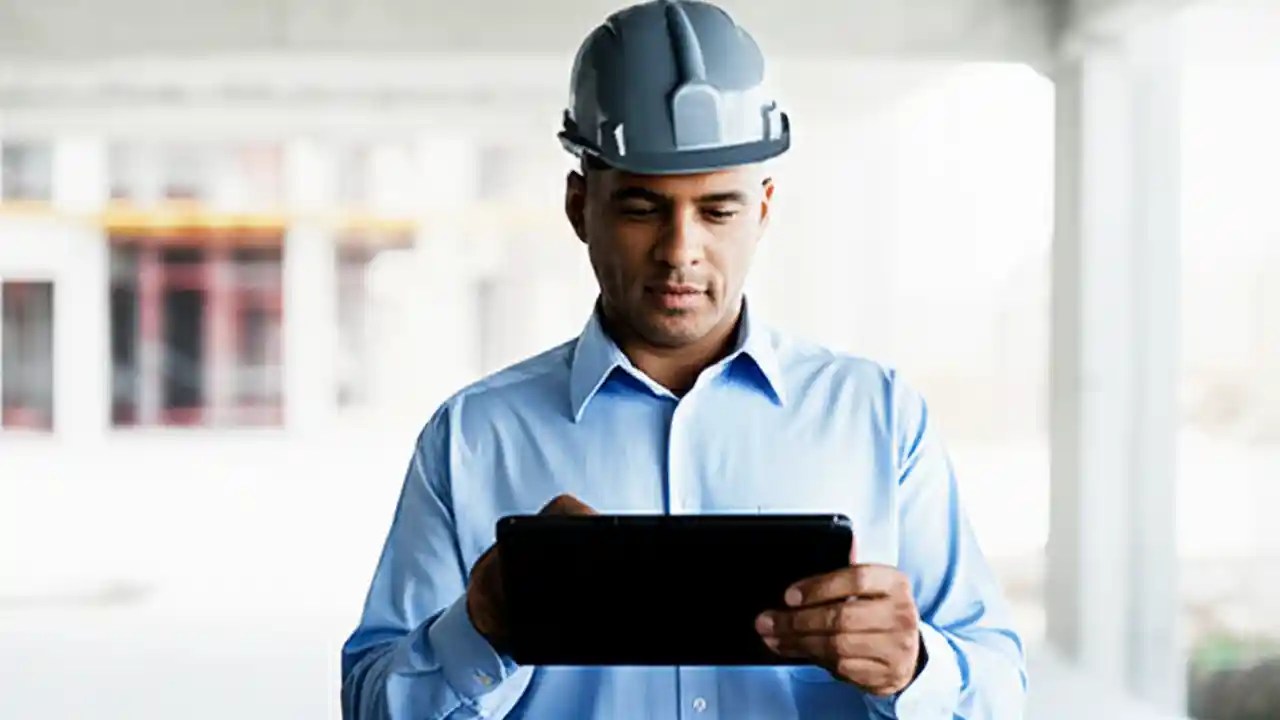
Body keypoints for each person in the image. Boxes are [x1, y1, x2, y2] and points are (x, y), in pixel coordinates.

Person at [340, 1, 1027, 717]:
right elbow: (370, 704)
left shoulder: (878, 419)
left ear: (763, 209)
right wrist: (478, 628)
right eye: (641, 208)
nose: (679, 249)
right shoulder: (474, 438)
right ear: (580, 207)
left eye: (718, 211)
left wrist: (916, 667)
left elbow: (999, 690)